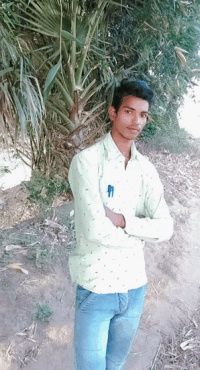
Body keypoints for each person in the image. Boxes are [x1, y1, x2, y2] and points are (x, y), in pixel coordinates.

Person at [68, 78, 174, 370]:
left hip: (134, 288)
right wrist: (141, 234)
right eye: (129, 111)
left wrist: (124, 221)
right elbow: (94, 230)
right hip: (97, 287)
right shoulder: (87, 162)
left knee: (114, 366)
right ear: (112, 112)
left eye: (143, 115)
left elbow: (165, 228)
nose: (136, 121)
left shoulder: (147, 171)